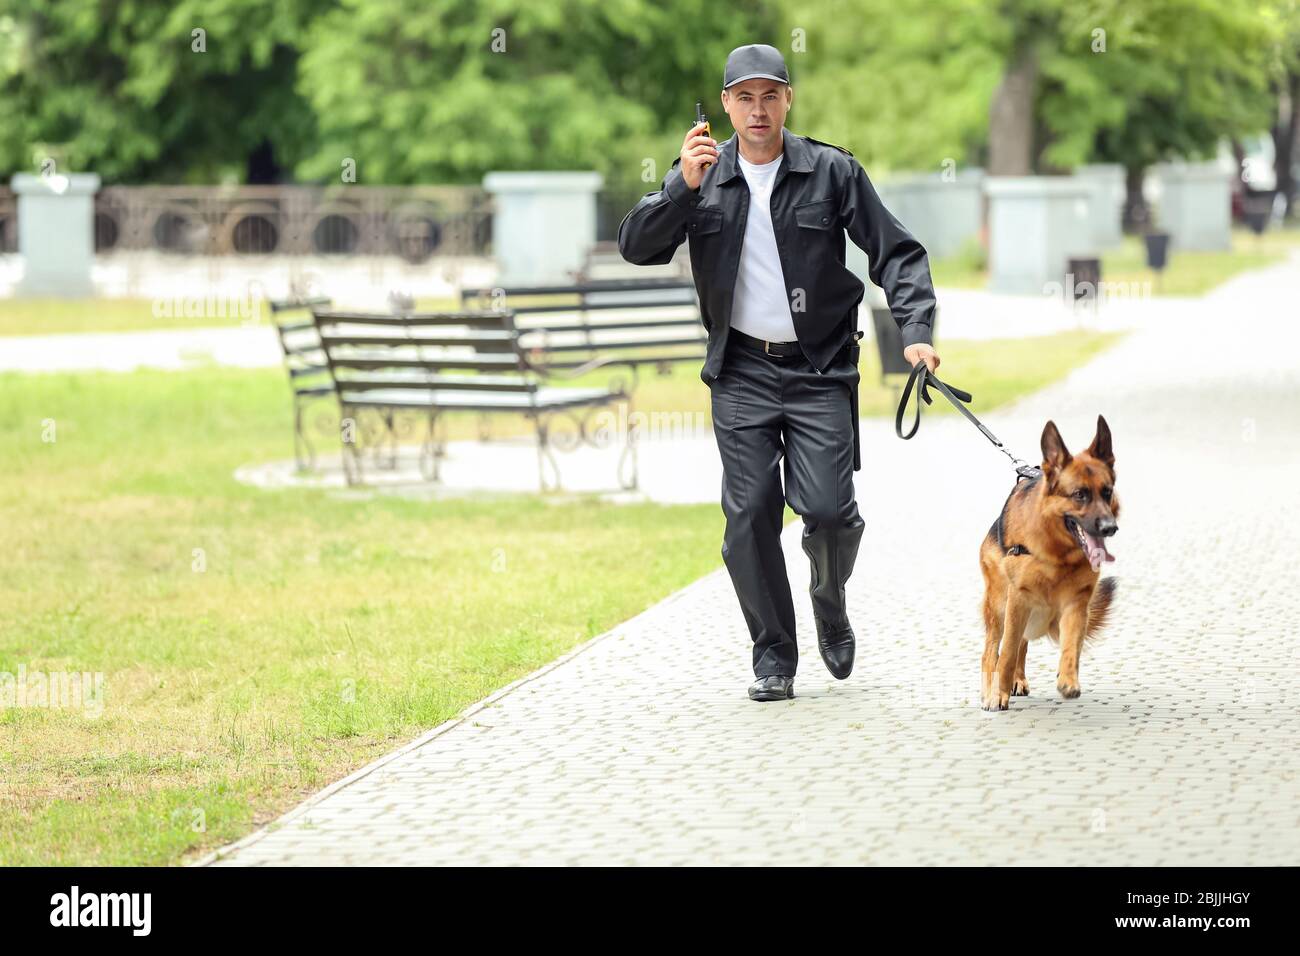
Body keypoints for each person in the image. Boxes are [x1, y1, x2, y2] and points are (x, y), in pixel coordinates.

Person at [618, 43, 941, 701]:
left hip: (821, 367)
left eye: (771, 95)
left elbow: (898, 253)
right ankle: (774, 656)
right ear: (726, 105)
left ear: (788, 100)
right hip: (741, 370)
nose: (758, 109)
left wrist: (916, 333)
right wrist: (680, 185)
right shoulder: (702, 174)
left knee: (829, 510)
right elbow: (636, 245)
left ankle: (829, 593)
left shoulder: (831, 171)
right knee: (749, 515)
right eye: (745, 97)